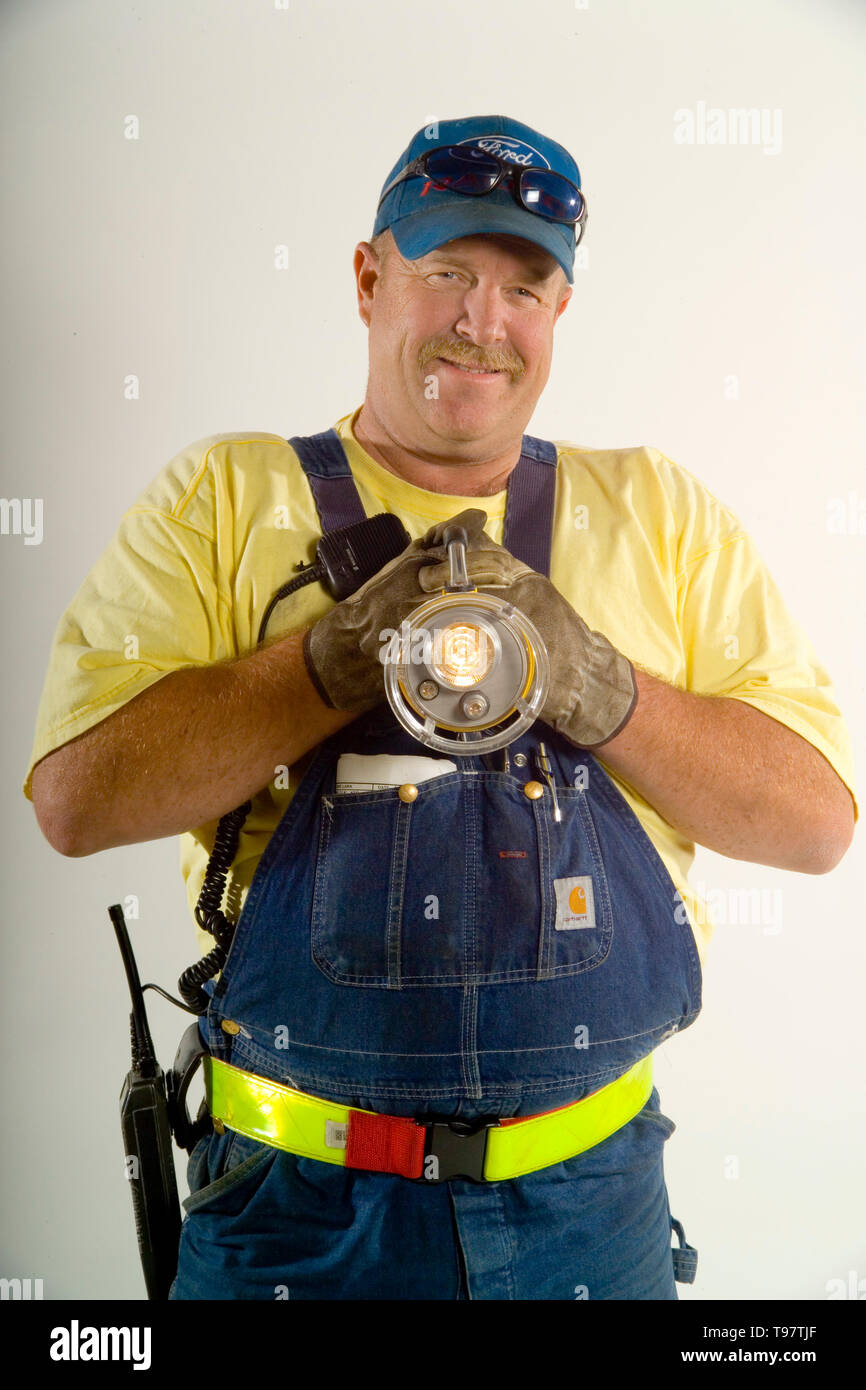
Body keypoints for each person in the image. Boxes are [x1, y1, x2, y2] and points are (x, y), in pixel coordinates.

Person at [24, 114, 857, 1301]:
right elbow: (76, 801)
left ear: (557, 312)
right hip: (293, 1211)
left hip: (592, 1204)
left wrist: (599, 690)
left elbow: (815, 826)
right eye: (446, 272)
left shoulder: (659, 510)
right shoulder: (222, 495)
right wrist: (327, 662)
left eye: (524, 285)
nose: (482, 320)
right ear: (369, 278)